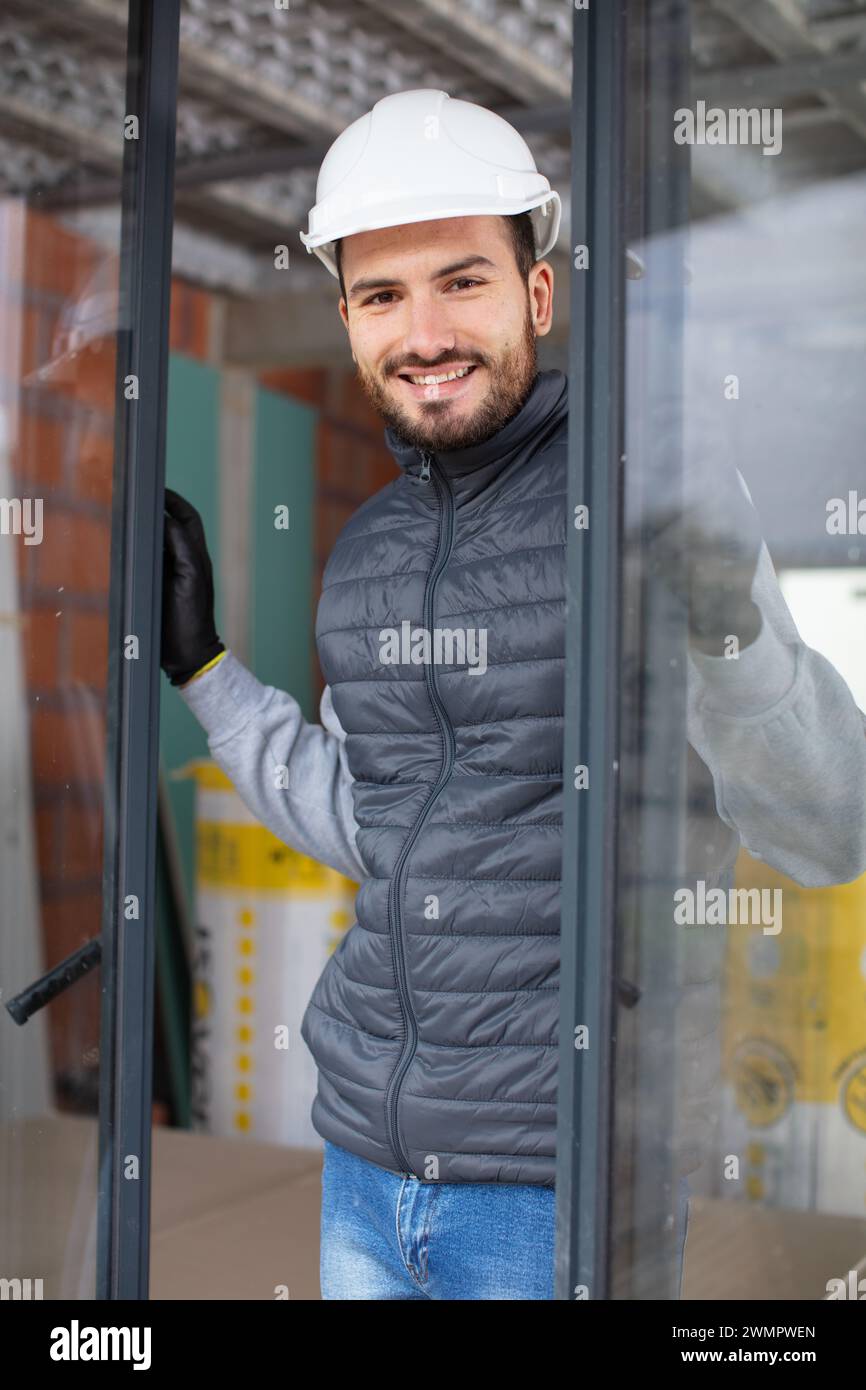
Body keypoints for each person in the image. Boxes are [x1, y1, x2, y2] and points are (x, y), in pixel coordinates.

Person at [161, 89, 866, 1300]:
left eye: (461, 281)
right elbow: (367, 824)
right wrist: (207, 674)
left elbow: (825, 828)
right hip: (364, 1173)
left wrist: (732, 627)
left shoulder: (645, 507)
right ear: (346, 321)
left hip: (558, 1186)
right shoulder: (369, 550)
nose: (423, 330)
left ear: (535, 294)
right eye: (383, 296)